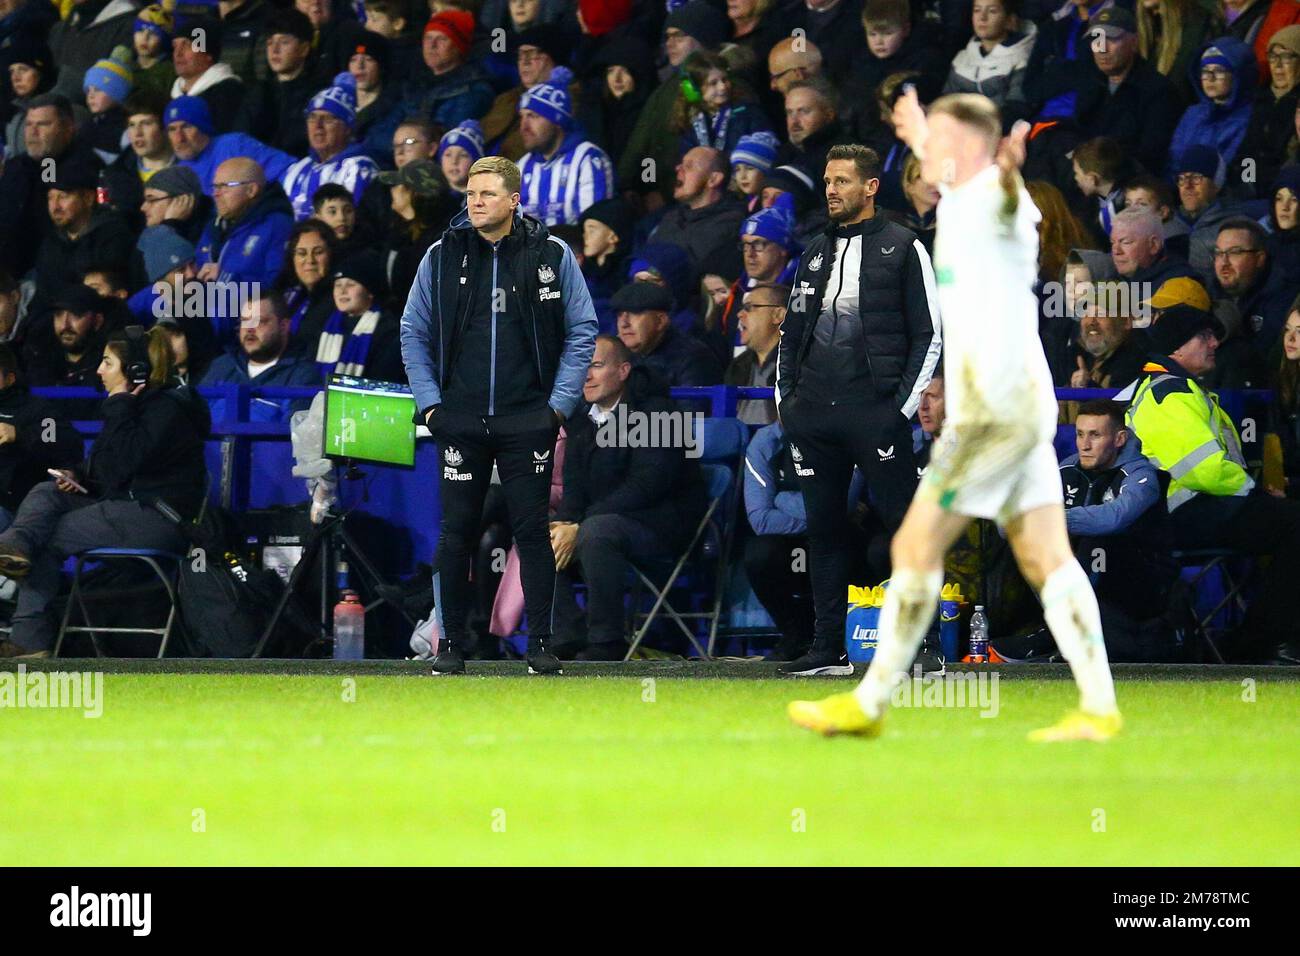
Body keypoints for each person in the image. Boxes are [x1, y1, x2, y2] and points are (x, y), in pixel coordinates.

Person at [788, 92, 1122, 741]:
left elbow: (993, 197)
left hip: (996, 414)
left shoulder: (995, 197)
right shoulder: (968, 207)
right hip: (1015, 406)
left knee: (913, 544)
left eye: (940, 139)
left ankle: (872, 700)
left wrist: (987, 165)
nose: (928, 152)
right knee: (1048, 557)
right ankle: (1100, 707)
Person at [399, 155, 598, 677]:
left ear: (514, 200)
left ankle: (540, 645)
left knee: (531, 531)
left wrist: (557, 406)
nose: (475, 201)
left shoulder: (551, 254)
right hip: (459, 417)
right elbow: (411, 330)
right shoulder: (442, 254)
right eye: (470, 193)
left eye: (487, 194)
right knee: (456, 531)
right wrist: (431, 404)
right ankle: (450, 646)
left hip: (526, 417)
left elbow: (583, 331)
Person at [774, 143, 942, 677]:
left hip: (875, 412)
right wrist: (787, 403)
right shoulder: (813, 251)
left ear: (871, 187)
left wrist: (899, 411)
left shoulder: (905, 246)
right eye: (827, 180)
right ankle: (828, 649)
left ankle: (926, 646)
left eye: (842, 181)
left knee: (905, 528)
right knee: (823, 531)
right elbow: (792, 330)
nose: (830, 190)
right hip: (813, 415)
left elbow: (930, 333)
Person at [0, 324, 211, 658]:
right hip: (122, 506)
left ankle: (30, 641)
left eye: (107, 363)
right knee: (46, 491)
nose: (98, 370)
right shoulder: (132, 406)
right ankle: (14, 548)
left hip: (157, 517)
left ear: (135, 371)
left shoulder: (167, 409)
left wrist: (120, 407)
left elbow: (124, 463)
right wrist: (76, 475)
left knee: (47, 537)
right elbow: (105, 470)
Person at [1126, 304, 1300, 664]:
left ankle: (1263, 638)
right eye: (1203, 336)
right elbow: (1204, 471)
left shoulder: (1176, 388)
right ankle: (1261, 641)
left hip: (1197, 508)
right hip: (1182, 513)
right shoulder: (1170, 394)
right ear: (1177, 346)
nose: (1214, 343)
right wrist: (1254, 492)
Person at [550, 335, 707, 660]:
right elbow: (574, 487)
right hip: (604, 524)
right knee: (539, 534)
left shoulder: (660, 413)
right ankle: (568, 633)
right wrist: (565, 523)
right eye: (581, 367)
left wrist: (581, 526)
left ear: (623, 371)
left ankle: (607, 643)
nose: (586, 376)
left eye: (595, 365)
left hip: (662, 528)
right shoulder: (581, 420)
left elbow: (648, 484)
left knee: (597, 532)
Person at [1058, 399, 1180, 661]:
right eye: (1079, 434)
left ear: (1119, 438)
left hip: (1141, 582)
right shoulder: (1067, 468)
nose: (1084, 445)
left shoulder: (1141, 476)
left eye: (1095, 435)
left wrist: (1049, 519)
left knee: (1099, 541)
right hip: (1084, 577)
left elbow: (1114, 518)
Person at [516, 66, 614, 227]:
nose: (523, 126)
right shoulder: (521, 166)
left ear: (557, 121)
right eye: (522, 117)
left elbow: (593, 230)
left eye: (533, 116)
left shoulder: (588, 159)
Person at [0, 343, 83, 533]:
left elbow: (62, 439)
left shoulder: (36, 409)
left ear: (10, 378)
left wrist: (18, 434)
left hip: (11, 505)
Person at [201, 293, 320, 422]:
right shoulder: (221, 366)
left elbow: (291, 437)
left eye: (260, 321)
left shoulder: (303, 377)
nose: (249, 329)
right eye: (244, 321)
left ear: (284, 326)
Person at [281, 73, 380, 221]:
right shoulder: (296, 169)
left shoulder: (359, 169)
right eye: (312, 117)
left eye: (327, 119)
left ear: (347, 128)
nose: (318, 126)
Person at [195, 157, 295, 290]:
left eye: (224, 186)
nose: (216, 194)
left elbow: (277, 285)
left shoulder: (277, 226)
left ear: (251, 190)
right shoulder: (214, 227)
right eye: (215, 187)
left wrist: (225, 277)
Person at [611, 281, 723, 386]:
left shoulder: (694, 359)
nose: (624, 323)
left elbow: (692, 407)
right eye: (620, 315)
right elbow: (620, 405)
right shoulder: (618, 358)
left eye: (635, 313)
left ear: (660, 321)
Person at [725, 282, 786, 425]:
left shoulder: (800, 365)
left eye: (749, 308)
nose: (740, 314)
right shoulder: (738, 365)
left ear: (778, 315)